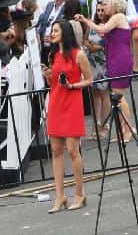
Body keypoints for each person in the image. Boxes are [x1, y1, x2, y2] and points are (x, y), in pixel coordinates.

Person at [45, 21, 92, 213]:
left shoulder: (79, 54)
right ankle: (60, 196)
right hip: (56, 102)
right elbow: (53, 82)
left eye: (56, 30)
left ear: (65, 32)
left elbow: (89, 80)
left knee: (73, 150)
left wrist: (73, 86)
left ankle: (79, 194)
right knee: (56, 150)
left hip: (72, 103)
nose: (52, 33)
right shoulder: (54, 54)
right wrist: (48, 75)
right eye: (52, 30)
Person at [80, 0, 134, 141]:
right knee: (117, 98)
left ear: (115, 4)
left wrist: (86, 21)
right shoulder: (114, 19)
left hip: (119, 59)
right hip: (114, 59)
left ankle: (128, 131)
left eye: (106, 4)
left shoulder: (118, 16)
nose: (104, 7)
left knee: (120, 97)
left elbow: (101, 29)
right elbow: (102, 37)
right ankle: (123, 130)